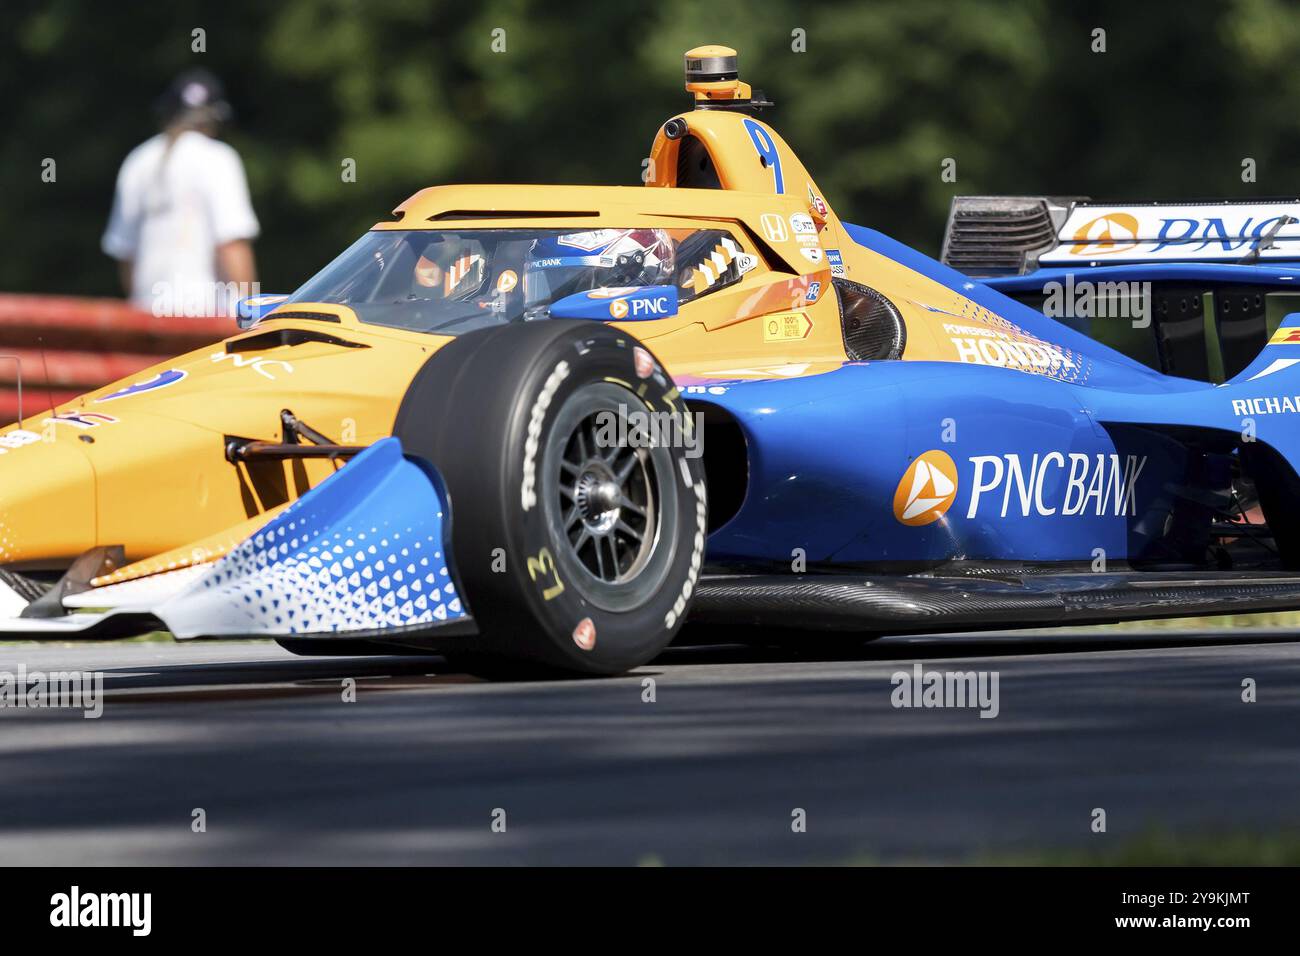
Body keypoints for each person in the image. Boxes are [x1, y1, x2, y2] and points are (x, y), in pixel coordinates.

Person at [102, 68, 259, 317]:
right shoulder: (219, 158)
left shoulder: (137, 161)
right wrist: (252, 315)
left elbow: (126, 256)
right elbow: (232, 244)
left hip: (145, 316)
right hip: (206, 318)